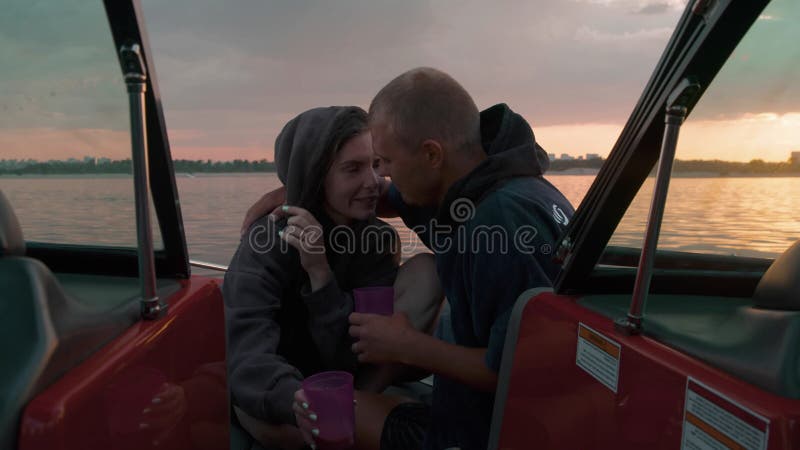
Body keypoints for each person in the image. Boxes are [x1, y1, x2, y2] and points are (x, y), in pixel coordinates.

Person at [243, 68, 574, 450]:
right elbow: (383, 197)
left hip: (476, 432)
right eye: (366, 165)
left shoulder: (501, 220)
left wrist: (406, 344)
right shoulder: (491, 182)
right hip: (476, 405)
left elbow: (520, 373)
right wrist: (304, 186)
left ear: (431, 153)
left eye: (384, 163)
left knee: (280, 423)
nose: (379, 177)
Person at [224, 106, 442, 450]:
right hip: (281, 392)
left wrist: (320, 273)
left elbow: (349, 352)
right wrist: (294, 398)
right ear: (314, 176)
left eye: (375, 164)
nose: (373, 183)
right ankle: (352, 416)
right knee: (280, 420)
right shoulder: (266, 244)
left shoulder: (377, 240)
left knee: (427, 271)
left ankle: (359, 407)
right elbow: (247, 356)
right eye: (352, 169)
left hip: (348, 373)